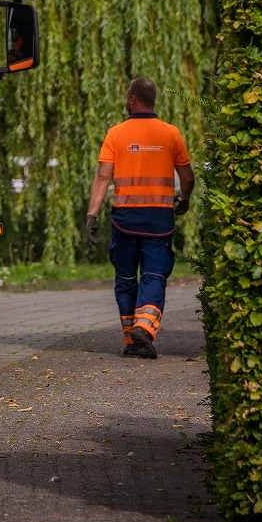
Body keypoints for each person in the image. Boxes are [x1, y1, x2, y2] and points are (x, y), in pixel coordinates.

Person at [85, 77, 194, 360]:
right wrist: (184, 200)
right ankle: (144, 329)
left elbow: (103, 176)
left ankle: (132, 339)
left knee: (125, 278)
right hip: (158, 220)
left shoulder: (116, 133)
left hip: (125, 219)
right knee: (154, 275)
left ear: (133, 99)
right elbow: (187, 177)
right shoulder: (171, 133)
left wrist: (92, 215)